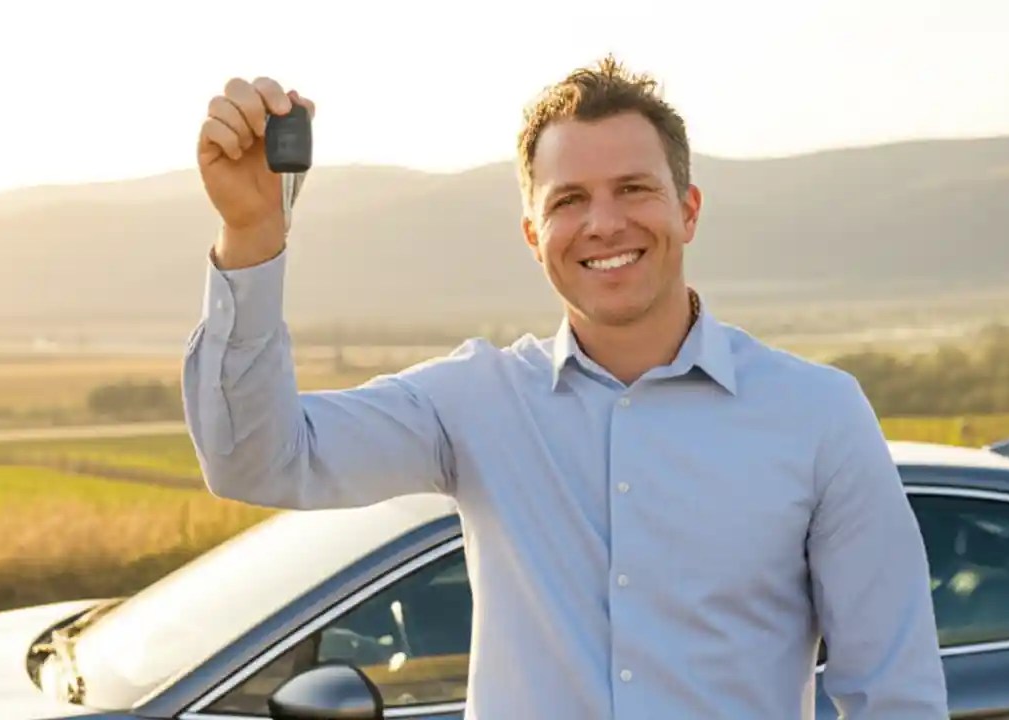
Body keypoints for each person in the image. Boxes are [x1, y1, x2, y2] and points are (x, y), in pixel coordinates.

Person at [182, 55, 949, 719]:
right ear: (531, 234)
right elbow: (255, 459)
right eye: (569, 200)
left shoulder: (817, 414)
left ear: (688, 209)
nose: (603, 224)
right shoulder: (473, 403)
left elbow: (895, 693)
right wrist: (252, 237)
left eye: (634, 189)